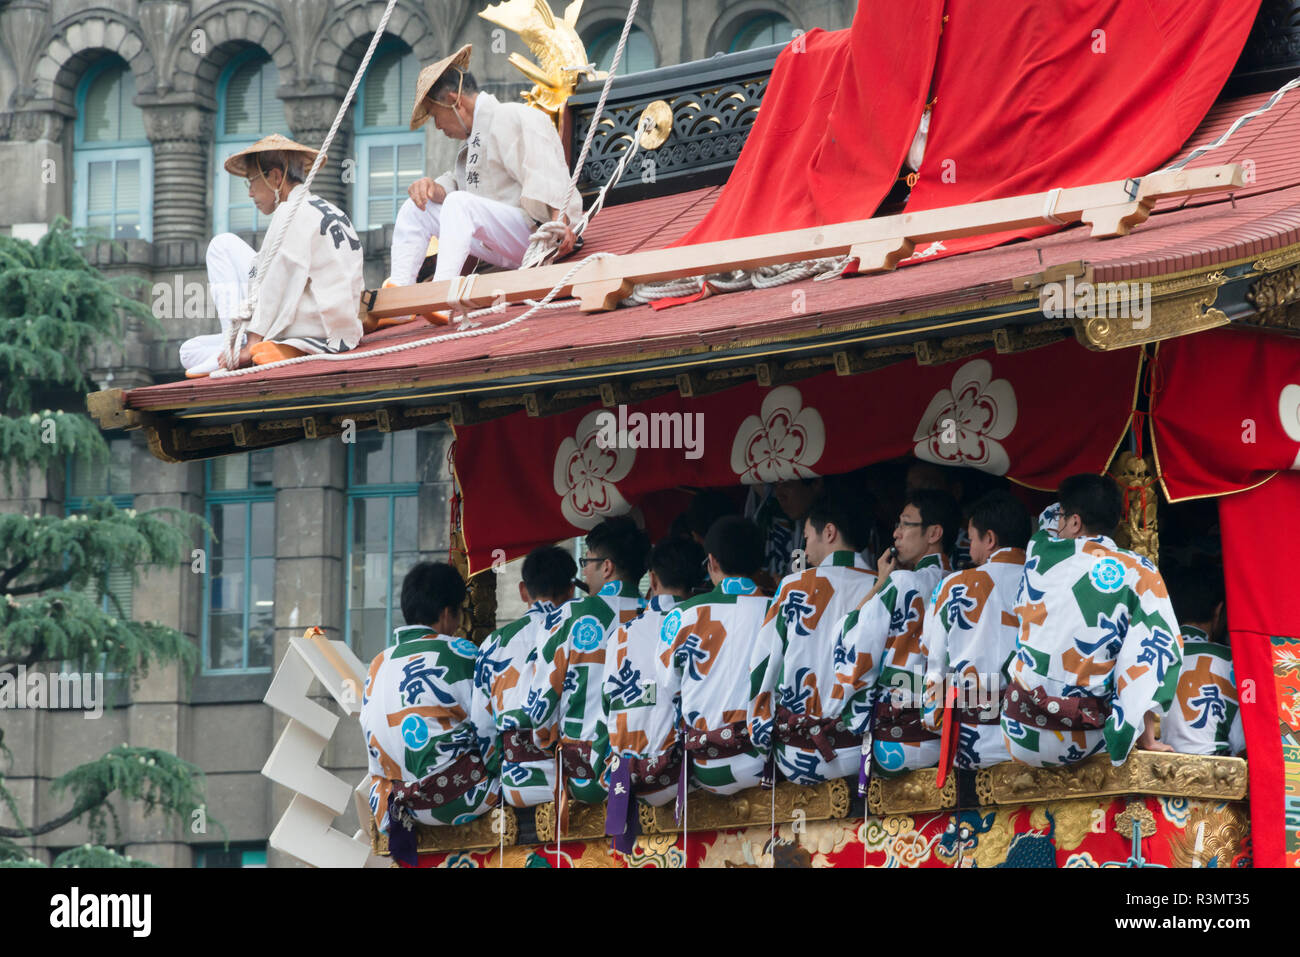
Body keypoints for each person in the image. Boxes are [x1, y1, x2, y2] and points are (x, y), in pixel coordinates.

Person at [1001, 474, 1182, 768]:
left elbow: (1050, 516)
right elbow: (1155, 653)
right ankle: (1140, 735)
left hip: (1019, 731)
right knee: (1149, 638)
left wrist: (1069, 509)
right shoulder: (1138, 570)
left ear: (1073, 522)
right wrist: (1147, 738)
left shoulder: (1040, 552)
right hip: (1085, 737)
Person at [389, 44, 583, 292]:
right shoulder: (473, 139)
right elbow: (461, 188)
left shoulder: (513, 115)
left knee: (460, 203)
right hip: (498, 243)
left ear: (454, 102)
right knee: (416, 208)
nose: (437, 126)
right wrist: (433, 189)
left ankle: (442, 291)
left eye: (435, 115)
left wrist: (560, 223)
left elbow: (548, 172)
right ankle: (399, 293)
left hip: (537, 238)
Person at [180, 134, 365, 377]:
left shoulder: (290, 211)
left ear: (275, 178)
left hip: (313, 328)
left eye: (251, 181)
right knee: (188, 350)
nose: (250, 194)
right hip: (338, 323)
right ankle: (235, 344)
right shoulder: (328, 209)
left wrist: (252, 343)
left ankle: (235, 347)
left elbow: (277, 279)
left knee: (220, 245)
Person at [359, 562, 499, 862]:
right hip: (460, 799)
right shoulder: (463, 653)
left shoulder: (376, 665)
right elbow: (491, 731)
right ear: (448, 613)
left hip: (397, 807)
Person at [749, 493, 877, 784]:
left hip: (796, 753)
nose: (804, 552)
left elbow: (763, 667)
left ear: (829, 532)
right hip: (862, 751)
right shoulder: (880, 586)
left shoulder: (793, 585)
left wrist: (760, 737)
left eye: (806, 539)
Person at [831, 488, 959, 778]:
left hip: (897, 740)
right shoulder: (965, 583)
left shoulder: (901, 582)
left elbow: (850, 644)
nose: (896, 534)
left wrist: (879, 584)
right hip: (954, 738)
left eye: (905, 523)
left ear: (934, 532)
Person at [526, 515, 649, 805]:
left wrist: (547, 742)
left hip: (586, 776)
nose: (585, 573)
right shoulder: (664, 617)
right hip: (652, 772)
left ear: (606, 567)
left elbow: (538, 709)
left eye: (586, 562)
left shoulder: (570, 615)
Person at [602, 536, 706, 850]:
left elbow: (608, 701)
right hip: (681, 777)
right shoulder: (699, 622)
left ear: (653, 579)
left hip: (626, 781)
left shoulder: (621, 633)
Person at [658, 516, 772, 796]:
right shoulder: (776, 609)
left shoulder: (682, 614)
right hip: (764, 760)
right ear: (759, 562)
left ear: (712, 562)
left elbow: (667, 686)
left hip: (703, 762)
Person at [919, 490, 1031, 770]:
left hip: (973, 740)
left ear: (990, 539)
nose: (968, 548)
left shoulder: (953, 585)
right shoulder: (1048, 583)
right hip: (1037, 738)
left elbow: (933, 661)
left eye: (971, 539)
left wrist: (934, 721)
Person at [471, 545, 576, 807]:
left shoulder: (494, 645)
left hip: (518, 785)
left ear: (522, 590)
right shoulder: (584, 633)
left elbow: (481, 728)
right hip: (578, 781)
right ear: (572, 590)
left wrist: (502, 769)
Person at [1161, 565, 1244, 756]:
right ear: (1219, 611)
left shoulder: (1154, 655)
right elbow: (1243, 744)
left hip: (1155, 770)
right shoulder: (1233, 662)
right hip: (1219, 775)